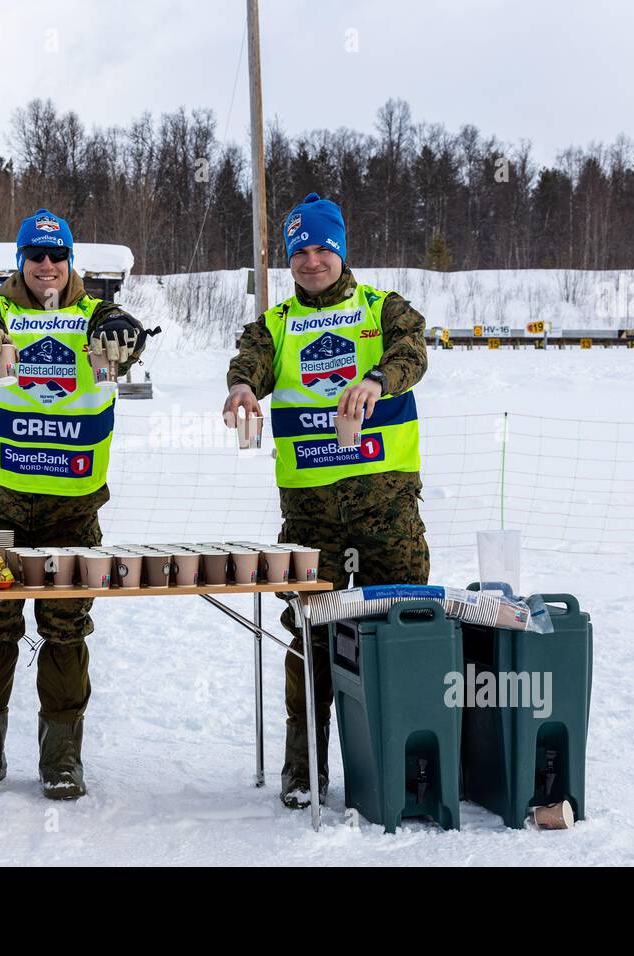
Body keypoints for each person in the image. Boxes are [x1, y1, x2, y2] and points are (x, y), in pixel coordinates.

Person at [222, 192, 431, 809]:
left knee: (403, 631)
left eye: (322, 248)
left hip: (387, 510)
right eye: (300, 251)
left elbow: (413, 350)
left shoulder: (382, 308)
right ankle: (303, 769)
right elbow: (250, 361)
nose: (312, 261)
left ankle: (408, 765)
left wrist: (376, 380)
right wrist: (241, 386)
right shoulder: (277, 324)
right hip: (311, 517)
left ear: (340, 249)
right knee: (310, 637)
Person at [0, 208, 149, 800]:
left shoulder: (94, 316)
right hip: (0, 512)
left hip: (72, 513)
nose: (46, 266)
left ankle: (62, 755)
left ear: (69, 261)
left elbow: (122, 330)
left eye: (56, 255)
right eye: (35, 256)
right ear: (21, 262)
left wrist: (122, 337)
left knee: (65, 632)